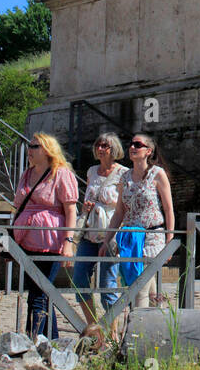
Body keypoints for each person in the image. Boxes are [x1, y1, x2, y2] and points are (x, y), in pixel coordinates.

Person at [11, 134, 79, 341]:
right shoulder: (27, 174)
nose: (29, 150)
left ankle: (34, 338)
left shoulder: (61, 174)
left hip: (50, 240)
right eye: (29, 146)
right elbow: (18, 205)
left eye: (35, 146)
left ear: (47, 149)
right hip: (26, 238)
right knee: (39, 292)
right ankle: (51, 341)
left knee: (39, 293)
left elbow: (71, 210)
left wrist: (68, 242)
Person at [99, 132, 174, 311]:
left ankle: (135, 330)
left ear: (148, 151)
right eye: (131, 144)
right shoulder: (125, 177)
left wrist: (169, 239)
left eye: (138, 145)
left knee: (139, 287)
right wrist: (107, 239)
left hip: (151, 236)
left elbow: (168, 208)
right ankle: (160, 323)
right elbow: (119, 212)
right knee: (149, 289)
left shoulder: (157, 174)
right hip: (130, 237)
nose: (132, 147)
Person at [71, 132, 128, 335]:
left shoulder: (124, 173)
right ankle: (95, 328)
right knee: (78, 279)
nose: (100, 149)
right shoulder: (91, 171)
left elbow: (125, 206)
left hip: (110, 234)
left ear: (114, 149)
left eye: (105, 145)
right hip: (89, 232)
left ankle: (112, 332)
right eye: (98, 145)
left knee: (107, 286)